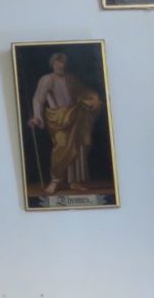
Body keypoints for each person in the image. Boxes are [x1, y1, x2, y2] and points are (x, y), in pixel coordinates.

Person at [28, 51, 105, 196]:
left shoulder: (71, 78)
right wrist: (37, 117)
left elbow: (83, 92)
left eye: (63, 62)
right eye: (58, 62)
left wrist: (93, 99)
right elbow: (38, 99)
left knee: (78, 147)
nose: (61, 65)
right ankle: (55, 181)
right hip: (58, 118)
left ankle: (74, 181)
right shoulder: (47, 79)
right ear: (53, 64)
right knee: (62, 147)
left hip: (75, 115)